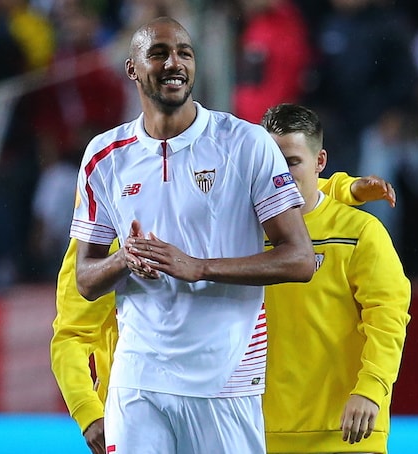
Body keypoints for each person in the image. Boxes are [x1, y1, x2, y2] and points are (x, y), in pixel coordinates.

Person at [68, 16, 318, 454]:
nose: (174, 63)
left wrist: (199, 267)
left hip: (225, 377)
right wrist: (124, 258)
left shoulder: (245, 143)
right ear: (132, 69)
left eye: (184, 52)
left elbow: (299, 259)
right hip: (138, 378)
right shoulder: (104, 157)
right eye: (159, 53)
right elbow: (85, 281)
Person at [51, 168, 396, 453]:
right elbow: (71, 334)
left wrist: (340, 188)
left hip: (213, 415)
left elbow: (275, 180)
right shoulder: (103, 241)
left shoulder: (203, 212)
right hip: (141, 419)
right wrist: (89, 413)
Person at [261, 103, 411, 454]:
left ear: (320, 162)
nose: (279, 175)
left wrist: (371, 389)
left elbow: (388, 320)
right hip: (259, 434)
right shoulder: (243, 233)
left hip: (346, 432)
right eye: (270, 163)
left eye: (292, 162)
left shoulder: (360, 233)